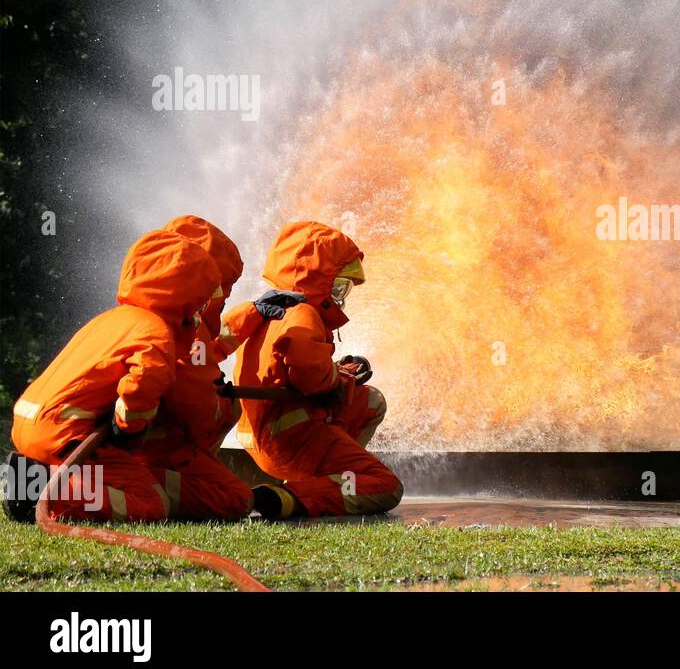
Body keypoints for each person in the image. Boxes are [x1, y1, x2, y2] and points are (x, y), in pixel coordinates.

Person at [6, 229, 222, 522]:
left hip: (29, 424)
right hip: (65, 435)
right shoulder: (154, 330)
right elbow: (144, 383)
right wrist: (126, 429)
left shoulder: (111, 319)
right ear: (186, 295)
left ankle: (36, 478)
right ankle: (41, 488)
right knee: (150, 503)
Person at [134, 215, 303, 520]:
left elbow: (207, 350)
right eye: (222, 286)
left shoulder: (160, 313)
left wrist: (253, 311)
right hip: (160, 456)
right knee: (233, 501)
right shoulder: (180, 323)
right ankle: (97, 486)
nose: (223, 295)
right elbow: (197, 398)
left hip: (162, 450)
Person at [234, 220, 402, 518]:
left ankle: (318, 478)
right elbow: (312, 377)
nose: (341, 296)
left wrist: (341, 372)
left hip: (266, 437)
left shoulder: (269, 311)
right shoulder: (304, 314)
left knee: (370, 400)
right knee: (385, 486)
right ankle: (294, 496)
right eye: (339, 286)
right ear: (320, 280)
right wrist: (344, 375)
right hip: (294, 440)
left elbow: (294, 372)